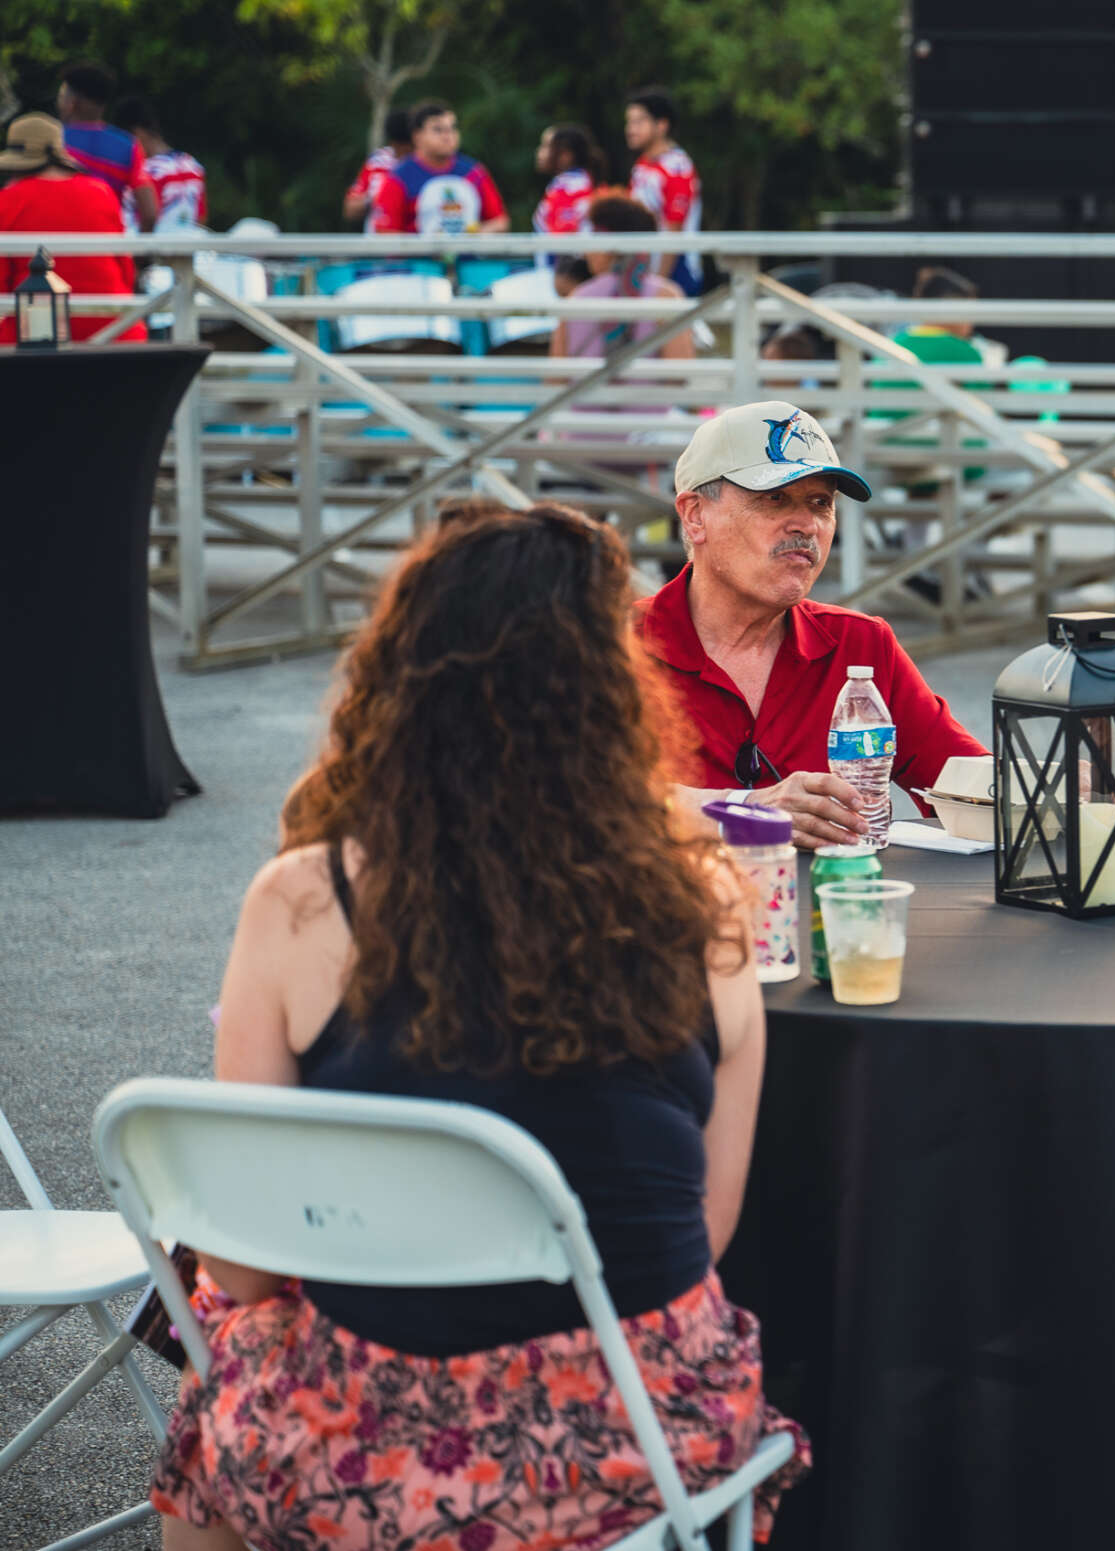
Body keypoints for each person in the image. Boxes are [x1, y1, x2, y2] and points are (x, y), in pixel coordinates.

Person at [156, 502, 808, 1551]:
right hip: (633, 1446)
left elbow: (244, 1262)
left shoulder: (302, 899)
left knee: (217, 1371)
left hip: (365, 1451)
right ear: (612, 696)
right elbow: (703, 1230)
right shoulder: (710, 899)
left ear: (402, 685)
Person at [638, 400, 987, 848]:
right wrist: (744, 811)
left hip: (832, 911)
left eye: (820, 503)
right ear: (694, 515)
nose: (805, 524)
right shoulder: (608, 645)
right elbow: (568, 796)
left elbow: (963, 782)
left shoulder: (861, 645)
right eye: (774, 498)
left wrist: (1041, 784)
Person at [0, 114, 136, 344]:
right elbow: (126, 271)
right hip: (118, 331)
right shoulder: (102, 192)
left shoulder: (9, 200)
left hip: (35, 336)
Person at [553, 194, 694, 361]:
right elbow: (680, 375)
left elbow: (556, 380)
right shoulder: (666, 297)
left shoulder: (575, 301)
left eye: (593, 235)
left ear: (607, 243)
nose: (586, 250)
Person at [376, 99, 509, 236]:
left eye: (452, 128)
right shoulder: (399, 177)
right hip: (418, 257)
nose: (448, 136)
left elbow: (499, 221)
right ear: (417, 136)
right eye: (438, 130)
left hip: (469, 257)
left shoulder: (473, 172)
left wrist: (472, 235)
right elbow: (385, 232)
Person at [54, 60, 156, 230]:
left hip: (57, 245)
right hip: (107, 247)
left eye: (62, 96)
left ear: (72, 102)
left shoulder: (54, 139)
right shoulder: (129, 146)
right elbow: (150, 213)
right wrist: (139, 255)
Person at [627, 86, 702, 294]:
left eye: (639, 121)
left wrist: (657, 284)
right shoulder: (641, 166)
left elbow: (673, 230)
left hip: (676, 269)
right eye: (629, 121)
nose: (630, 128)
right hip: (644, 268)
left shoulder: (677, 167)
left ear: (661, 125)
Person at [109, 96, 206, 233]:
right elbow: (200, 218)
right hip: (187, 249)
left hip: (152, 249)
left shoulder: (146, 172)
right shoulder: (192, 165)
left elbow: (139, 220)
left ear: (136, 134)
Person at [533, 121, 601, 273]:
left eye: (546, 146)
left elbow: (563, 240)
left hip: (559, 278)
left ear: (566, 155)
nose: (540, 152)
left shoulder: (568, 188)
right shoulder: (578, 183)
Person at [342, 107, 412, 231]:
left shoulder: (436, 163)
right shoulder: (379, 162)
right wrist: (378, 198)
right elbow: (350, 210)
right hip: (380, 244)